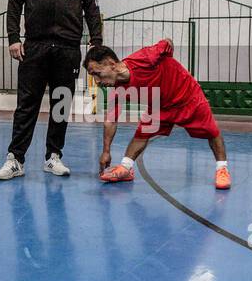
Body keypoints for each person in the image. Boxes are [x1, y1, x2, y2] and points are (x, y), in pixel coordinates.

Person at [0, 0, 104, 181]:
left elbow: (92, 8)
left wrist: (96, 43)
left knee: (61, 104)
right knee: (27, 105)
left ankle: (53, 156)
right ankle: (15, 159)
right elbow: (13, 3)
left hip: (68, 49)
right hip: (35, 47)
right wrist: (13, 38)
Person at [84, 38, 231, 190]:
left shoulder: (145, 58)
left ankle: (222, 169)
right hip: (160, 105)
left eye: (97, 74)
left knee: (211, 131)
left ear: (110, 63)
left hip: (187, 94)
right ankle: (126, 168)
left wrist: (169, 67)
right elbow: (111, 121)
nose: (96, 81)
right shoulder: (117, 91)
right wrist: (106, 152)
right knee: (142, 133)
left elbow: (167, 42)